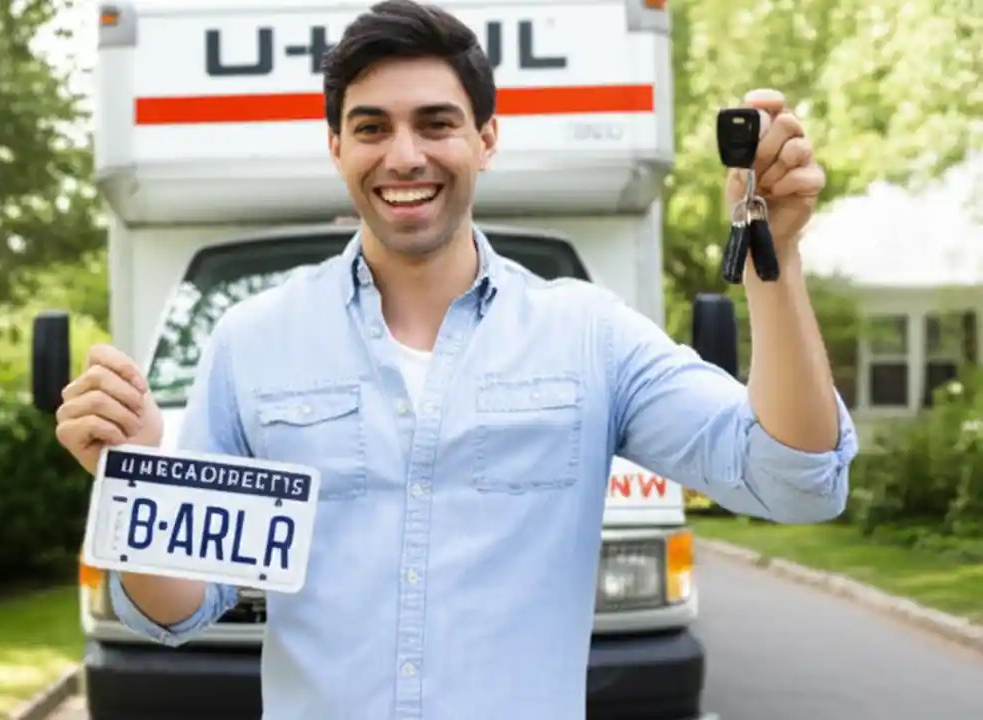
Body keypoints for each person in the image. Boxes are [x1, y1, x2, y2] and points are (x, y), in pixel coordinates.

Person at [54, 0, 859, 717]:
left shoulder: (590, 334)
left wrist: (774, 255)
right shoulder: (251, 340)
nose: (404, 155)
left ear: (486, 139)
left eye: (436, 123)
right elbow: (174, 610)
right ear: (336, 146)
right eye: (372, 127)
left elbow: (794, 480)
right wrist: (137, 476)